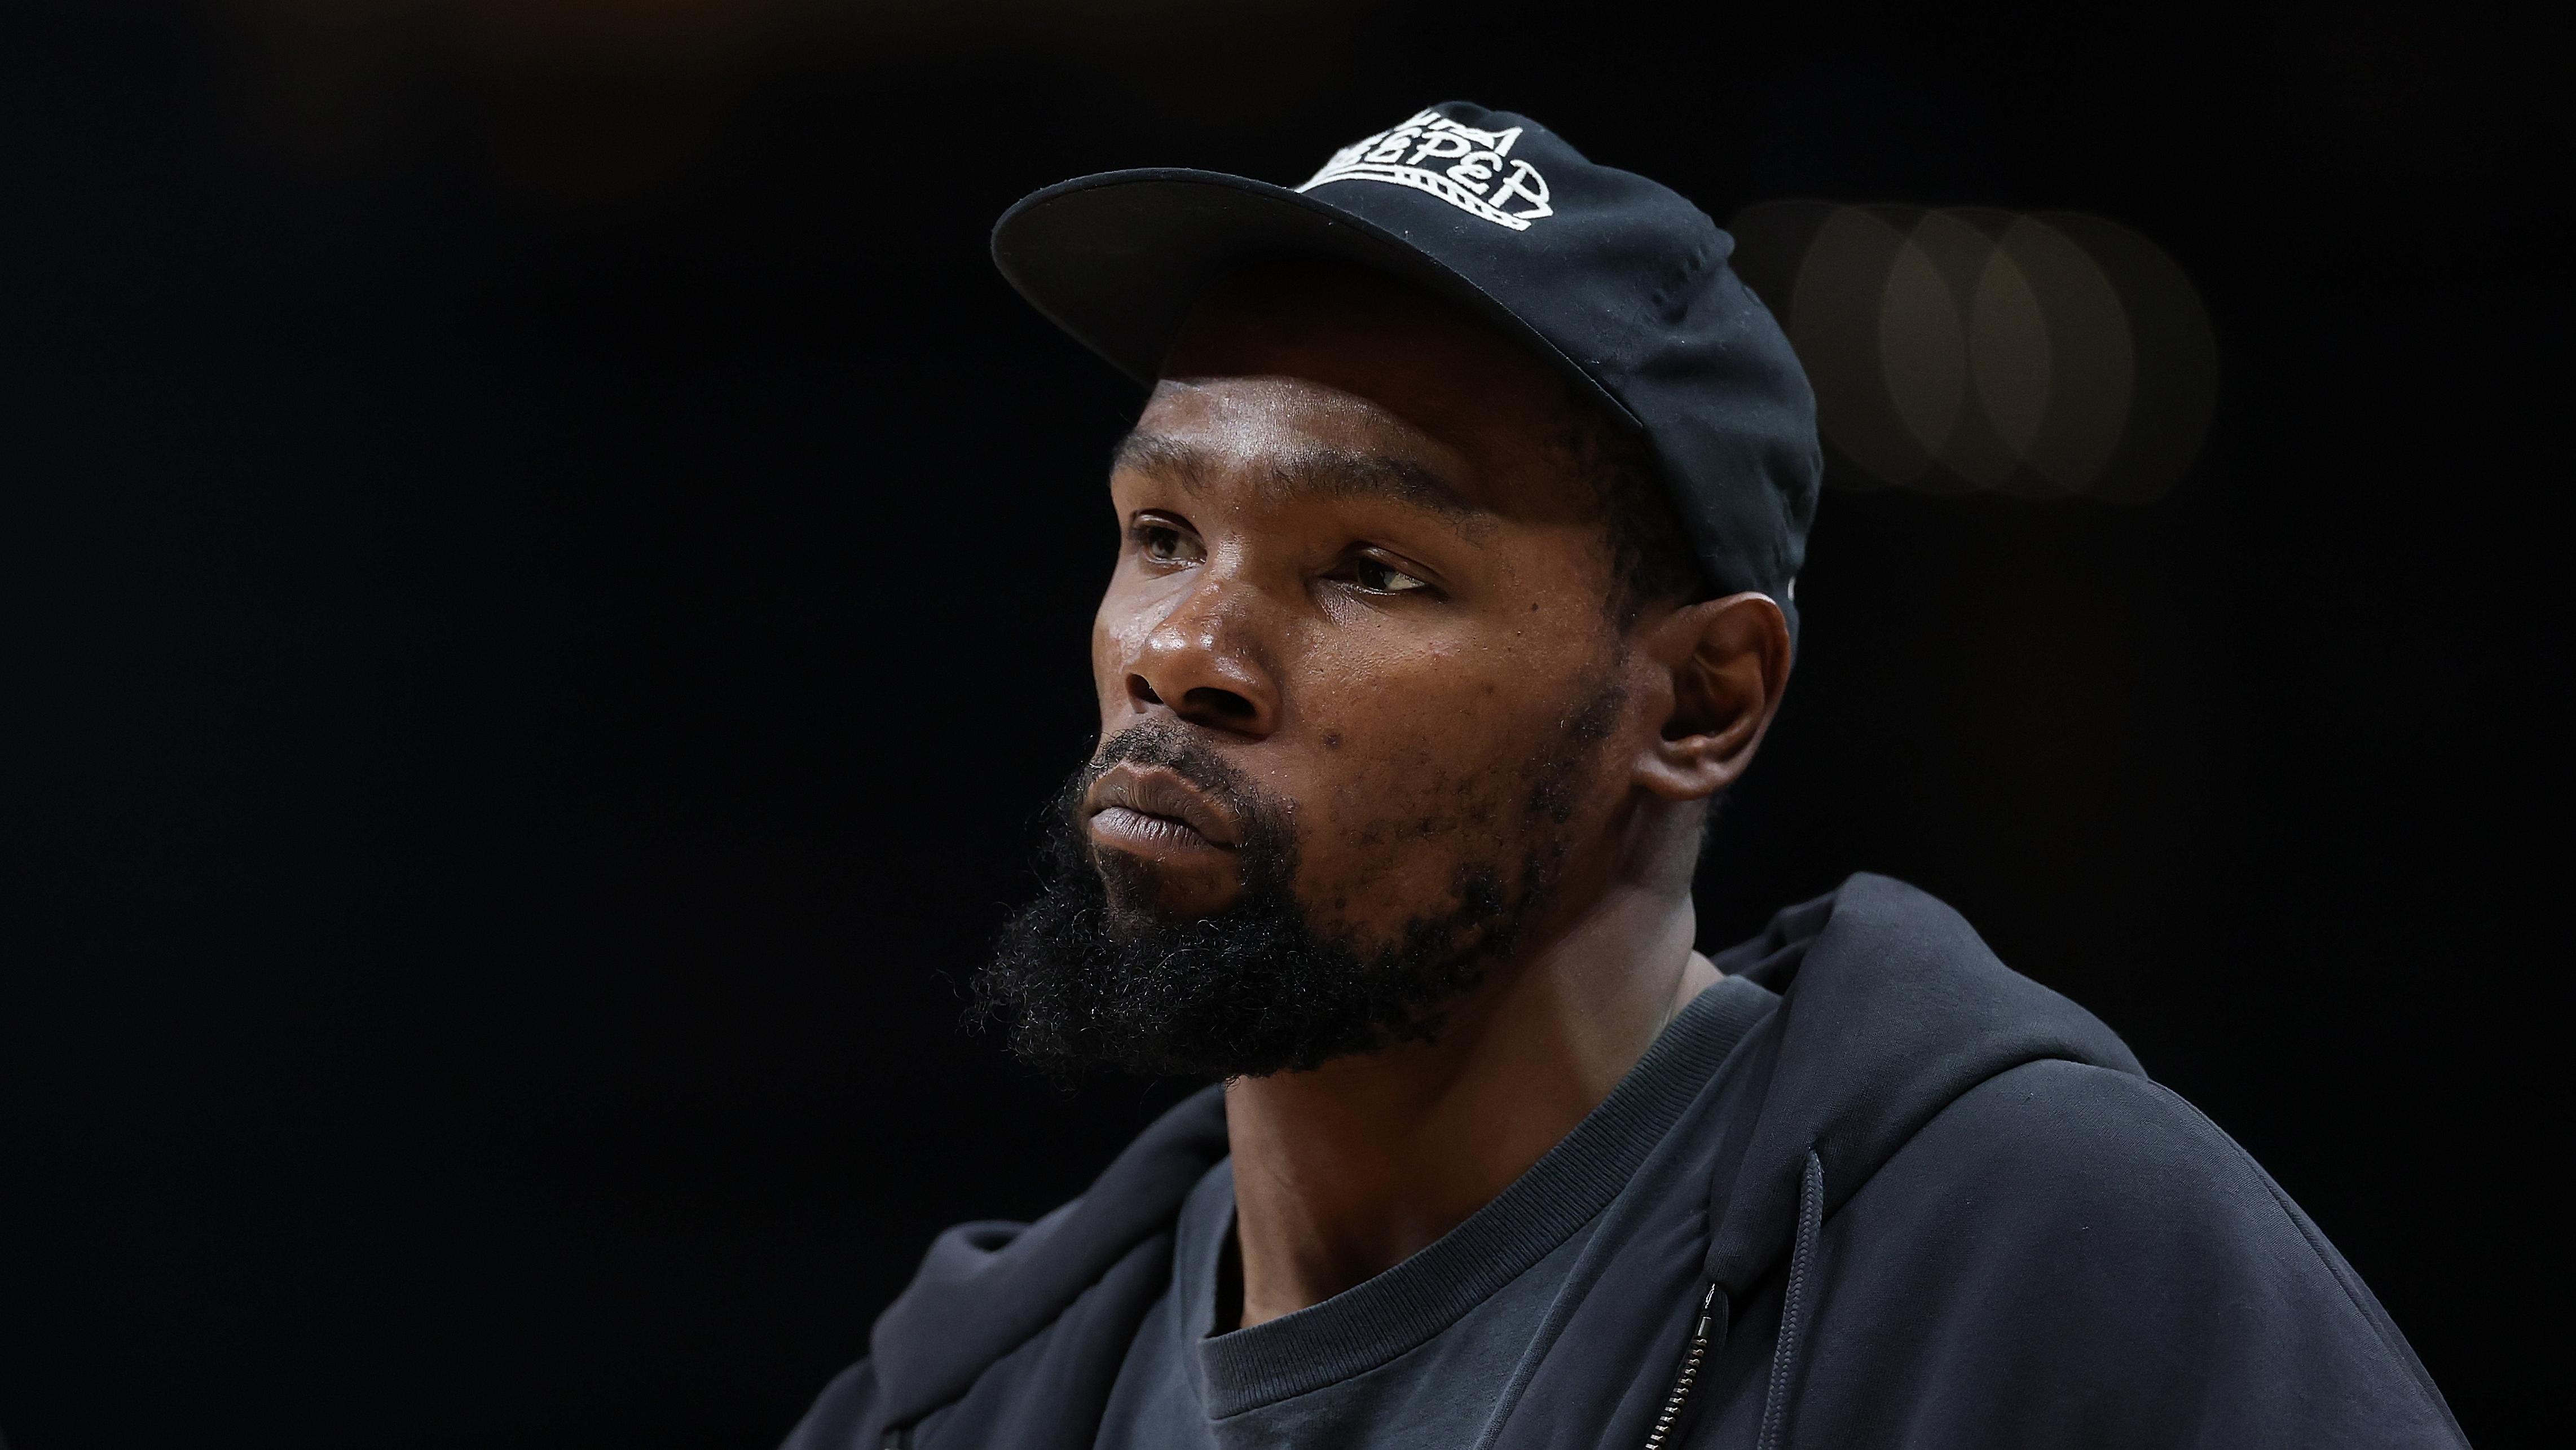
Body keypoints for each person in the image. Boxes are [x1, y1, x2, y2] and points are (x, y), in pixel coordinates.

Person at [782, 103, 2465, 1449]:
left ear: (1703, 701)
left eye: (1371, 566)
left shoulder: (2044, 1267)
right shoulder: (969, 1400)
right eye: (1162, 532)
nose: (1183, 650)